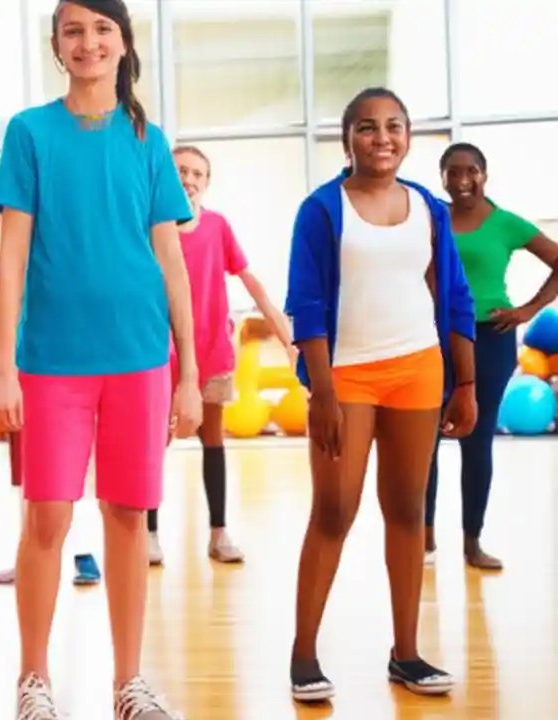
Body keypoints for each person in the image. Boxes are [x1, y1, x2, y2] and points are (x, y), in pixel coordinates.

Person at [0, 1, 200, 717]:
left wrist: (190, 374)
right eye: (74, 31)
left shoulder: (148, 139)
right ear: (57, 45)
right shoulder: (30, 132)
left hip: (140, 358)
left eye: (102, 30)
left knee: (126, 517)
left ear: (122, 43)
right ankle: (35, 679)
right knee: (46, 518)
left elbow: (172, 259)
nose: (88, 42)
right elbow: (11, 254)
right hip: (52, 362)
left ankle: (128, 682)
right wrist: (2, 365)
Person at [285, 87, 477, 703]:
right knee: (335, 509)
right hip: (347, 376)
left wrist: (466, 381)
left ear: (409, 135)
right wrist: (320, 390)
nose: (382, 137)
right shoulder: (321, 209)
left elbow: (453, 296)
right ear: (348, 139)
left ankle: (407, 654)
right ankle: (304, 654)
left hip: (417, 367)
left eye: (394, 125)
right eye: (367, 127)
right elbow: (306, 303)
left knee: (407, 511)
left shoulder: (428, 208)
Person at [144, 146, 296, 565]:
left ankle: (219, 532)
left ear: (206, 183)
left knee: (213, 439)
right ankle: (149, 532)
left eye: (197, 173)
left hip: (210, 349)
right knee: (154, 442)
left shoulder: (217, 226)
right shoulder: (149, 226)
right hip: (158, 350)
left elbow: (254, 284)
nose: (189, 179)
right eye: (181, 171)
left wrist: (287, 339)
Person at [0, 212, 102, 586]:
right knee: (29, 462)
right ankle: (28, 553)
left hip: (79, 350)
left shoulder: (69, 206)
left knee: (79, 458)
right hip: (25, 357)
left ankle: (83, 551)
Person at [425, 142, 558, 571]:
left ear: (485, 174)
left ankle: (472, 542)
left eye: (471, 171)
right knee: (423, 439)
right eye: (453, 172)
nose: (463, 180)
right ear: (442, 177)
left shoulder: (505, 223)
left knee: (477, 441)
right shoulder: (431, 218)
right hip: (435, 336)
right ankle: (423, 541)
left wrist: (527, 310)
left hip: (492, 336)